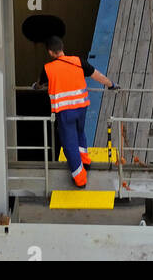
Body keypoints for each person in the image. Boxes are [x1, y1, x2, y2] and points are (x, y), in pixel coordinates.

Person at [38, 36, 116, 188]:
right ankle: (85, 161)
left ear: (50, 52)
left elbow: (41, 84)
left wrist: (36, 86)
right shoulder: (78, 61)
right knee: (80, 133)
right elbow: (97, 75)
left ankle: (80, 178)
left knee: (69, 144)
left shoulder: (48, 68)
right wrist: (111, 84)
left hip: (64, 111)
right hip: (81, 107)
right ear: (62, 48)